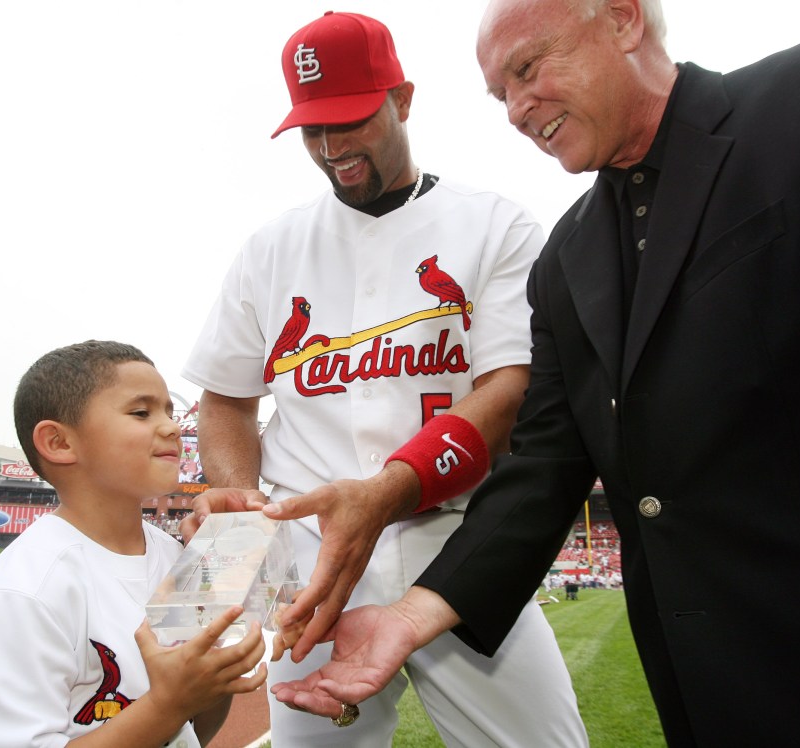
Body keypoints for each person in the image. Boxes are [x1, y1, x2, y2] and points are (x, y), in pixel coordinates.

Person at [268, 2, 800, 746]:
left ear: (623, 19)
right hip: (713, 695)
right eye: (498, 94)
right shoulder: (565, 257)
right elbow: (547, 462)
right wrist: (410, 618)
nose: (516, 109)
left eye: (528, 67)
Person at [180, 10, 587, 747]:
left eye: (351, 119)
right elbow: (225, 397)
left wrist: (385, 492)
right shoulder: (270, 249)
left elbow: (510, 393)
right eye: (312, 129)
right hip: (312, 568)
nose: (333, 147)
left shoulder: (493, 224)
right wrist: (236, 491)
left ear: (402, 98)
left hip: (454, 545)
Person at [0, 340, 269, 747]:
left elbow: (194, 730)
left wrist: (219, 652)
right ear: (59, 443)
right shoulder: (25, 589)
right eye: (141, 412)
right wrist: (167, 704)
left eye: (170, 411)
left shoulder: (176, 557)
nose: (172, 427)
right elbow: (173, 710)